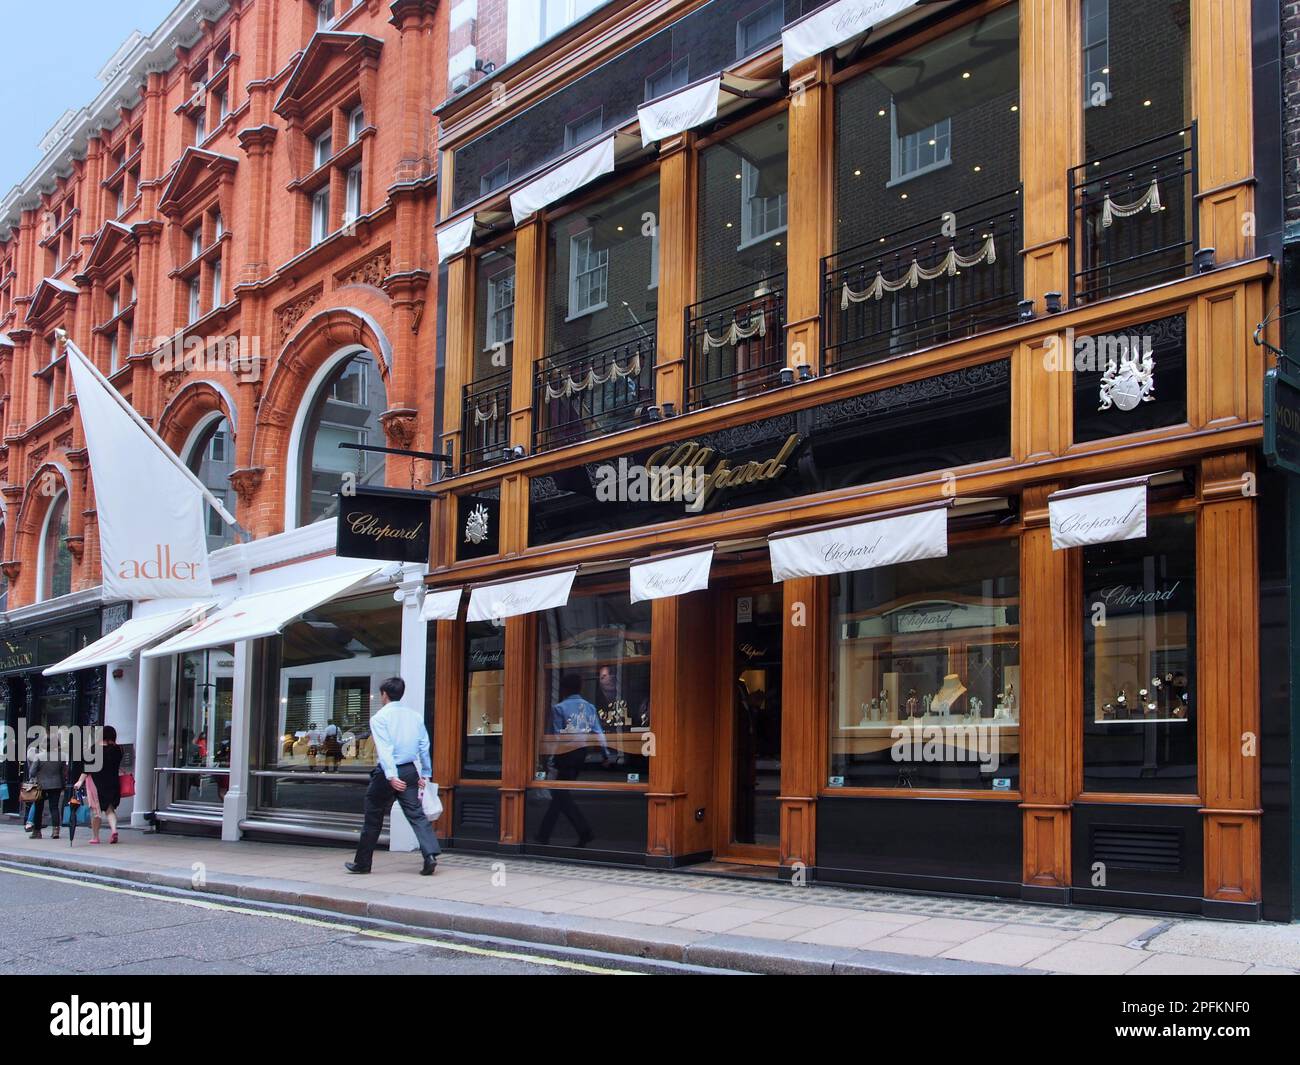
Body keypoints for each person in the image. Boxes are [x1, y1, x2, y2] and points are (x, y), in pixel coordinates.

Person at [346, 677, 440, 876]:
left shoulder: (380, 718)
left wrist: (390, 776)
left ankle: (363, 863)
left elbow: (385, 749)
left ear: (384, 694)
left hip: (388, 773)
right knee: (416, 814)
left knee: (373, 815)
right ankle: (430, 855)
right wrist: (426, 773)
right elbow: (424, 746)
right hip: (410, 770)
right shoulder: (414, 716)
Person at [535, 674, 608, 848]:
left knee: (560, 794)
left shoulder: (559, 708)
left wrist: (549, 759)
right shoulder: (589, 707)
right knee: (560, 795)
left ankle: (583, 832)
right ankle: (544, 835)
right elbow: (598, 732)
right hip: (581, 754)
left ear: (564, 689)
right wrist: (606, 753)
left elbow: (557, 736)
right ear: (580, 687)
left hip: (566, 754)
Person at [74, 725, 124, 845]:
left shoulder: (94, 749)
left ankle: (95, 837)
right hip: (113, 782)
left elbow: (87, 768)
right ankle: (114, 830)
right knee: (109, 809)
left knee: (96, 811)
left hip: (96, 783)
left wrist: (80, 781)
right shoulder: (118, 749)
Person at [27, 732, 68, 840]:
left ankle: (37, 831)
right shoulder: (62, 756)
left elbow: (32, 772)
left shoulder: (39, 756)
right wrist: (63, 784)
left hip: (40, 785)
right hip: (56, 784)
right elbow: (63, 773)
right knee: (54, 807)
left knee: (38, 808)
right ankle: (55, 831)